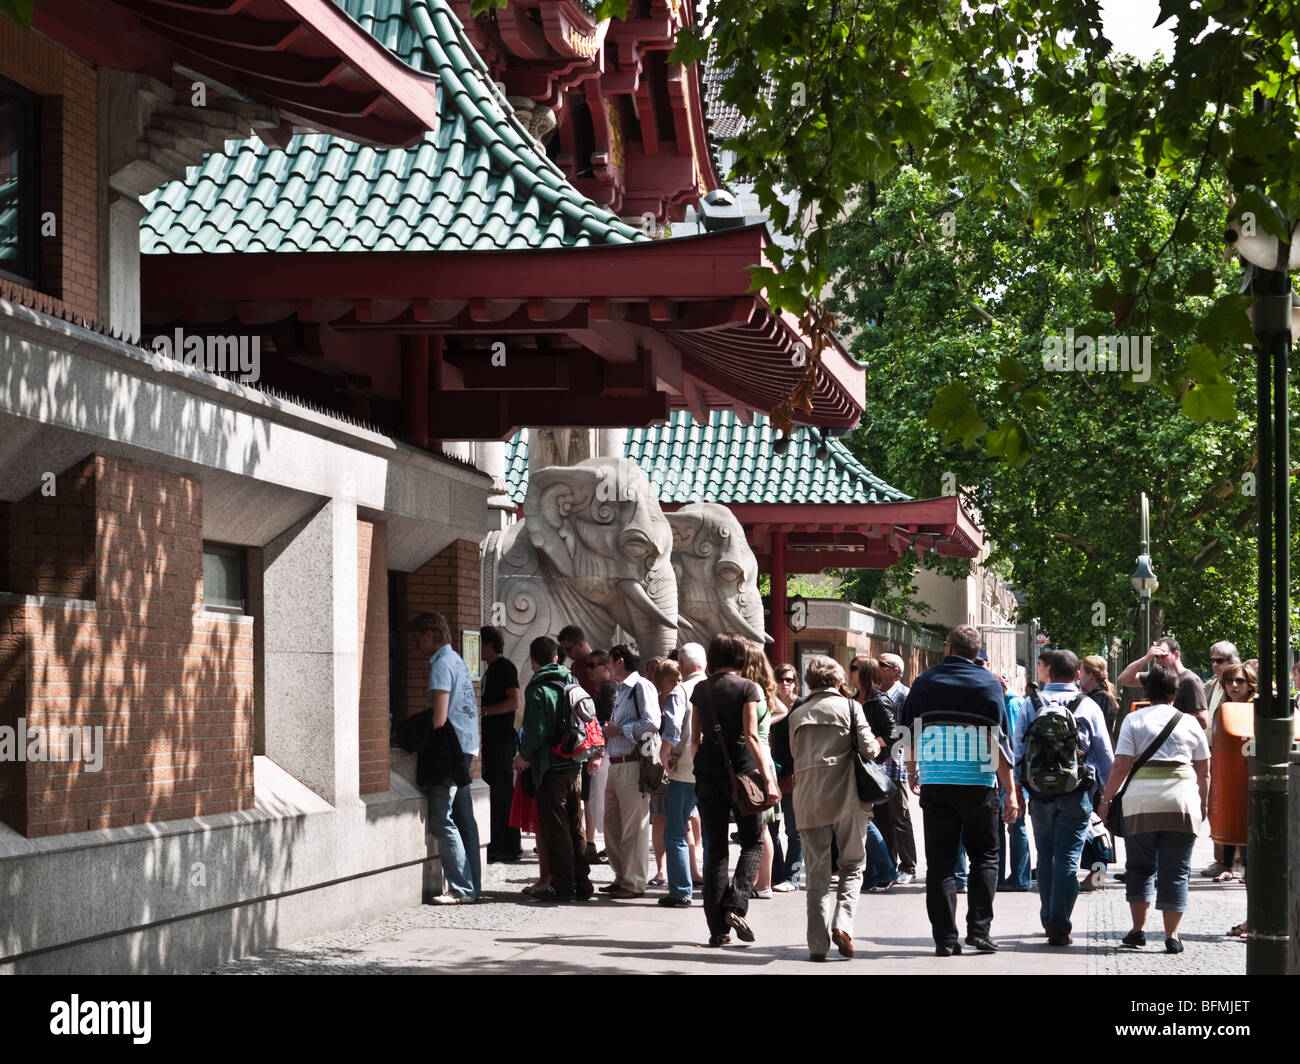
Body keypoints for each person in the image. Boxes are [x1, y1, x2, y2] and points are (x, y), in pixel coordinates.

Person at [899, 624, 1019, 955]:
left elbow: (908, 732)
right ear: (977, 652)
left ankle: (945, 939)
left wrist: (912, 771)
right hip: (978, 785)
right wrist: (1011, 791)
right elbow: (999, 743)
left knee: (940, 863)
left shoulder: (925, 681)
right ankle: (979, 931)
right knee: (985, 856)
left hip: (937, 781)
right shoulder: (989, 685)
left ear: (948, 647)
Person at [1098, 664, 1211, 954]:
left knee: (1140, 867)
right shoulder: (1190, 723)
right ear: (1175, 692)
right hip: (1182, 803)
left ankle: (1138, 931)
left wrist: (1106, 801)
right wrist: (1203, 803)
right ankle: (1172, 936)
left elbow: (1121, 764)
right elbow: (1204, 771)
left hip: (1141, 804)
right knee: (1177, 871)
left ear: (1146, 692)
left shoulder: (1134, 720)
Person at [1012, 649, 1114, 945]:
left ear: (1051, 673)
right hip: (1076, 792)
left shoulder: (1031, 703)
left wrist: (1017, 789)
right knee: (1068, 857)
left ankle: (1048, 919)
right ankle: (1060, 923)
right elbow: (1105, 755)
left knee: (1045, 855)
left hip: (1039, 793)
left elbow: (1019, 748)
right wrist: (1107, 797)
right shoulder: (1088, 705)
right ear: (1076, 674)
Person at [691, 633, 780, 947]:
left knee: (715, 849)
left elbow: (695, 738)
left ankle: (717, 929)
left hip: (706, 771)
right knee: (753, 839)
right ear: (740, 657)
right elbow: (752, 737)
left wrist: (700, 766)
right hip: (741, 771)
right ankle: (735, 903)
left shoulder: (701, 689)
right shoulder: (748, 688)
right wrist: (768, 780)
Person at [790, 656, 881, 961]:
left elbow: (794, 753)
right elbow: (870, 750)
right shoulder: (851, 708)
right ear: (839, 681)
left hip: (808, 800)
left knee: (816, 874)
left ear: (809, 682)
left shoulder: (797, 713)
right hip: (848, 797)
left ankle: (817, 945)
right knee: (853, 865)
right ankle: (843, 924)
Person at [410, 612, 481, 905]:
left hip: (449, 751)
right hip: (467, 745)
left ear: (429, 633)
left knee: (443, 819)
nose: (415, 643)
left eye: (417, 636)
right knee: (464, 818)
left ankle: (463, 888)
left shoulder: (441, 665)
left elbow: (438, 719)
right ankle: (473, 885)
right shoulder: (458, 661)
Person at [516, 636, 594, 902]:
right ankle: (583, 882)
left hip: (550, 766)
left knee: (556, 826)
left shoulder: (537, 688)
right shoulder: (573, 681)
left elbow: (536, 731)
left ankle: (562, 884)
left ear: (533, 659)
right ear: (557, 658)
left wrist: (523, 756)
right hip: (575, 761)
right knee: (575, 824)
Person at [601, 644, 661, 899]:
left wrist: (620, 731)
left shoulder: (641, 686)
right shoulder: (622, 690)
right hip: (615, 763)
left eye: (609, 662)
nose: (607, 667)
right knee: (612, 825)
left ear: (620, 661)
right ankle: (621, 875)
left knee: (633, 827)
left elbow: (652, 722)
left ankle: (634, 881)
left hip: (633, 762)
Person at [660, 643, 707, 907]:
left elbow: (673, 726)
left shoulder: (682, 690)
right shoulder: (716, 687)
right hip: (714, 769)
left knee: (676, 830)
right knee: (712, 831)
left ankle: (680, 890)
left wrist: (665, 753)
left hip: (685, 769)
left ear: (681, 666)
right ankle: (714, 885)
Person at [849, 656, 899, 892]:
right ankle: (871, 875)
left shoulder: (879, 700)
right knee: (861, 820)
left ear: (865, 673)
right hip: (855, 765)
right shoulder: (852, 700)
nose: (850, 672)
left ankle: (886, 870)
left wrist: (868, 745)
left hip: (871, 766)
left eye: (854, 669)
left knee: (864, 820)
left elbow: (893, 735)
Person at [1210, 661, 1256, 887]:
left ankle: (1248, 869)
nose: (1234, 686)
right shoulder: (1223, 708)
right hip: (1228, 773)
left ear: (1250, 684)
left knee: (1247, 820)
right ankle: (1228, 866)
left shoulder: (1257, 708)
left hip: (1251, 774)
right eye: (1229, 681)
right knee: (1230, 817)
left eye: (1240, 681)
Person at [480, 625, 523, 864]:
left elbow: (514, 702)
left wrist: (485, 712)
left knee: (502, 794)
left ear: (489, 644)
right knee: (497, 793)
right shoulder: (489, 670)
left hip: (501, 741)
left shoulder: (505, 667)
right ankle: (499, 843)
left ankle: (507, 846)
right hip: (491, 741)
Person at [743, 644, 782, 899]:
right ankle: (762, 882)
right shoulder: (766, 690)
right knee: (763, 826)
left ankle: (763, 883)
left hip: (755, 759)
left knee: (760, 827)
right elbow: (782, 709)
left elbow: (749, 732)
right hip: (765, 756)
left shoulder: (750, 692)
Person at [876, 653, 917, 884]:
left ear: (894, 671)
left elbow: (908, 731)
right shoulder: (876, 693)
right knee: (881, 817)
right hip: (877, 764)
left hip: (897, 763)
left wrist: (913, 769)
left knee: (900, 816)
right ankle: (889, 865)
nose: (877, 667)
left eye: (881, 664)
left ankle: (908, 866)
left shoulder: (904, 695)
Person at [577, 649, 616, 864]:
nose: (588, 670)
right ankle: (599, 844)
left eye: (593, 665)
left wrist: (599, 752)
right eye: (587, 666)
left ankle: (609, 846)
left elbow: (606, 724)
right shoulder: (602, 689)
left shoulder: (609, 688)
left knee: (601, 800)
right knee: (596, 800)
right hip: (603, 753)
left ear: (606, 667)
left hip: (605, 755)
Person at [1117, 637, 1208, 729]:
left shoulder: (1191, 680)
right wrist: (1146, 658)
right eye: (1156, 657)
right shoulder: (1156, 677)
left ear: (1176, 655)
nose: (1158, 661)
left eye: (1163, 656)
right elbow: (1123, 679)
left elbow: (1203, 721)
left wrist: (1167, 717)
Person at [996, 671, 1032, 892]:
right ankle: (1005, 876)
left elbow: (1008, 745)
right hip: (1011, 774)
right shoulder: (1012, 701)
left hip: (1011, 775)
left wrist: (1009, 781)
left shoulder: (1010, 704)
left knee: (1014, 825)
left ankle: (1019, 877)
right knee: (1007, 825)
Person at [648, 658, 682, 887]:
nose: (678, 683)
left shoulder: (683, 697)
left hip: (681, 766)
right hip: (658, 768)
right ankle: (661, 870)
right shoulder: (653, 701)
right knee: (659, 820)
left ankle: (685, 869)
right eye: (673, 679)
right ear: (661, 681)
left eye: (680, 678)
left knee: (683, 821)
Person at [769, 663, 803, 892]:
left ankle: (793, 876)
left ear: (795, 682)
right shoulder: (770, 706)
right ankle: (776, 874)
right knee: (771, 828)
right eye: (780, 679)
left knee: (794, 830)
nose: (785, 684)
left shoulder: (803, 706)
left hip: (797, 774)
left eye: (789, 680)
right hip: (773, 773)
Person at [1079, 654, 1120, 742]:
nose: (1079, 677)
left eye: (1081, 673)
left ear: (1090, 675)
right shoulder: (1099, 696)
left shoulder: (1100, 698)